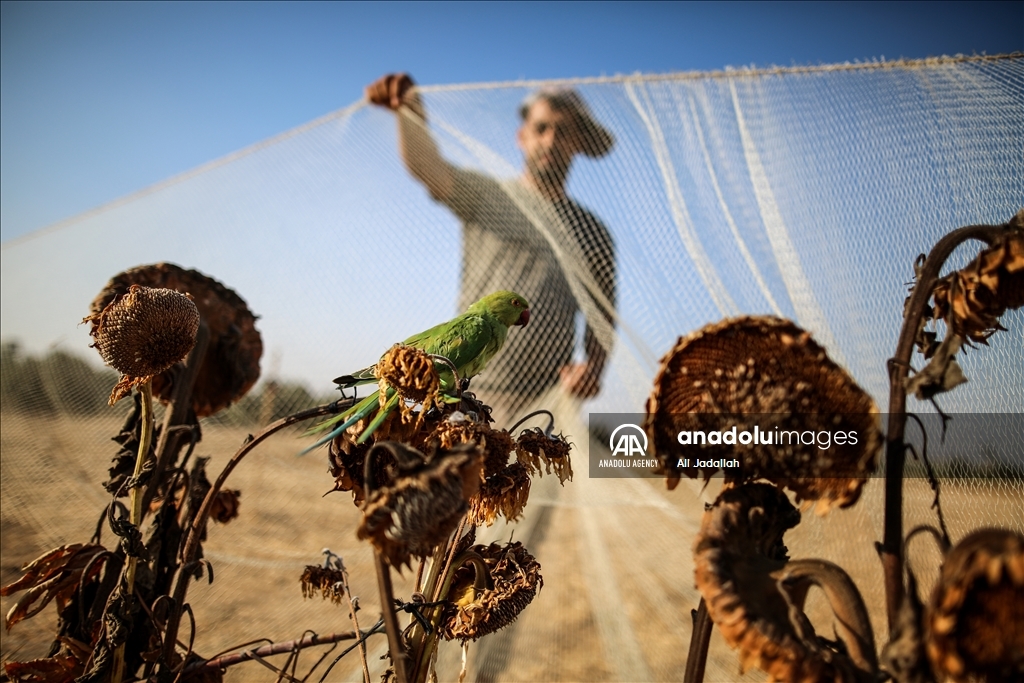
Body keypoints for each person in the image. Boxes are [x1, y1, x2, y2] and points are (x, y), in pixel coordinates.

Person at [366, 73, 617, 424]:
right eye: (542, 128)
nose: (551, 140)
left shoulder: (593, 232)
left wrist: (592, 369)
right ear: (522, 136)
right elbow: (428, 168)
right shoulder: (487, 196)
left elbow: (602, 318)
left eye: (565, 131)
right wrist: (409, 110)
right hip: (463, 388)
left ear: (578, 142)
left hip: (546, 405)